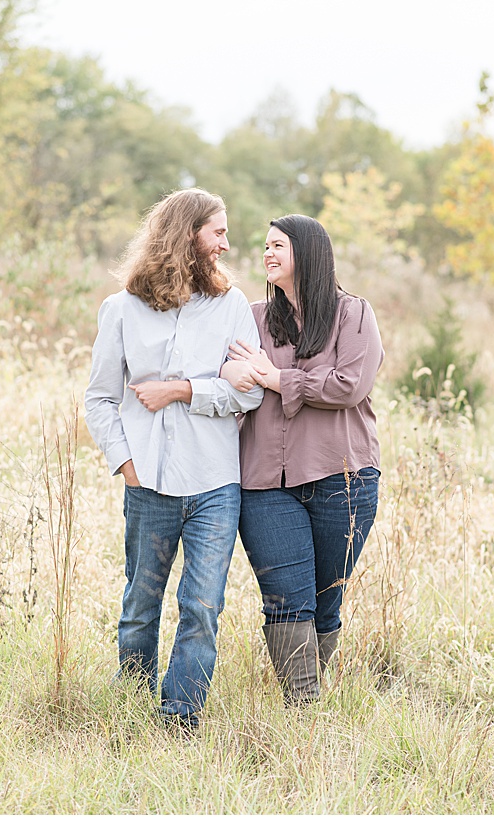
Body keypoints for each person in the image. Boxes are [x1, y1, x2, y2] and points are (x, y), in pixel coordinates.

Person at [84, 188, 263, 731]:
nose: (226, 245)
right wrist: (126, 462)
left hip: (214, 482)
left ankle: (179, 715)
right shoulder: (121, 309)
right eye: (218, 232)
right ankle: (133, 698)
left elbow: (250, 393)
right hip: (149, 481)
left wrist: (185, 390)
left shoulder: (231, 306)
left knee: (203, 606)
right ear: (188, 234)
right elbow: (98, 397)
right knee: (141, 600)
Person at [220, 214, 383, 704]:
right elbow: (223, 367)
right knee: (286, 601)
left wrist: (275, 379)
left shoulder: (354, 314)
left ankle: (308, 699)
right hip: (264, 482)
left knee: (325, 600)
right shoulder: (248, 317)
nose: (267, 254)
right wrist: (234, 372)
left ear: (308, 253)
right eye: (265, 246)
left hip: (344, 478)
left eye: (278, 246)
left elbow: (349, 386)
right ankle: (304, 712)